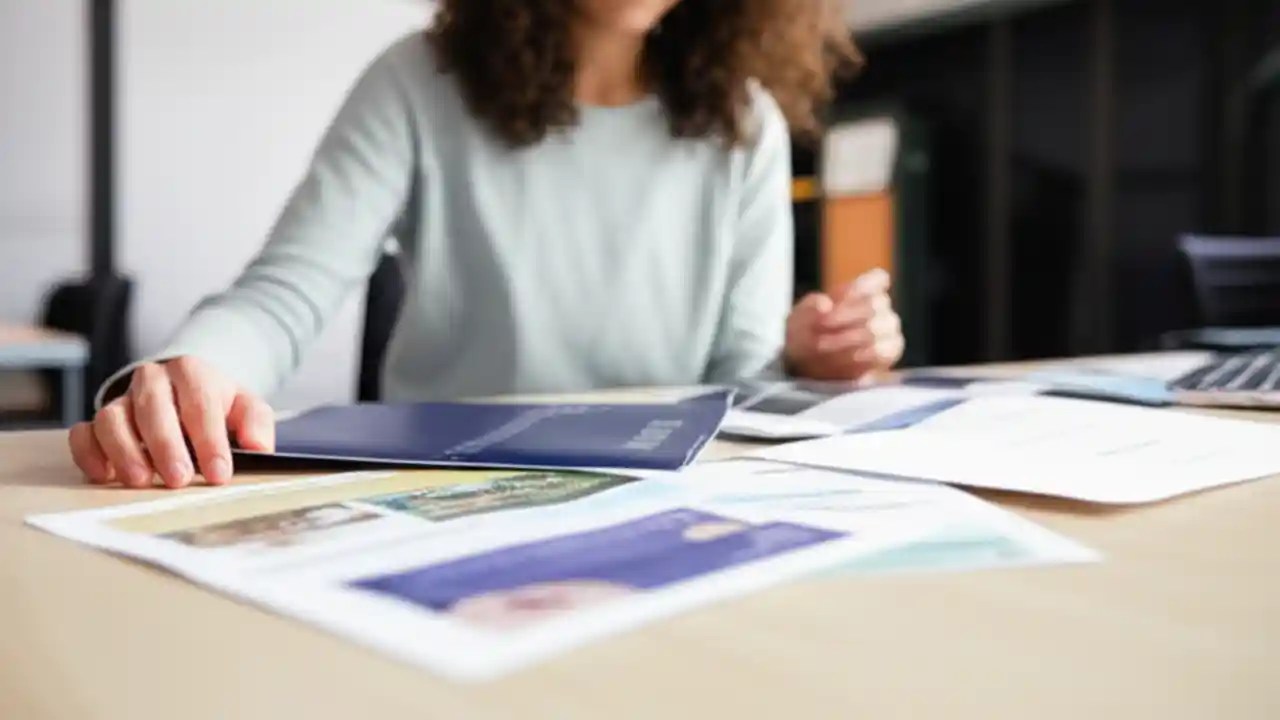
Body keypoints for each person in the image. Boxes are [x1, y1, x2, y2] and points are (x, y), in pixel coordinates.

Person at [68, 0, 905, 490]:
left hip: (656, 494)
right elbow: (284, 295)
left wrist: (808, 361)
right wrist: (196, 372)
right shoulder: (417, 80)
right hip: (445, 487)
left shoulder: (745, 123)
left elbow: (738, 379)